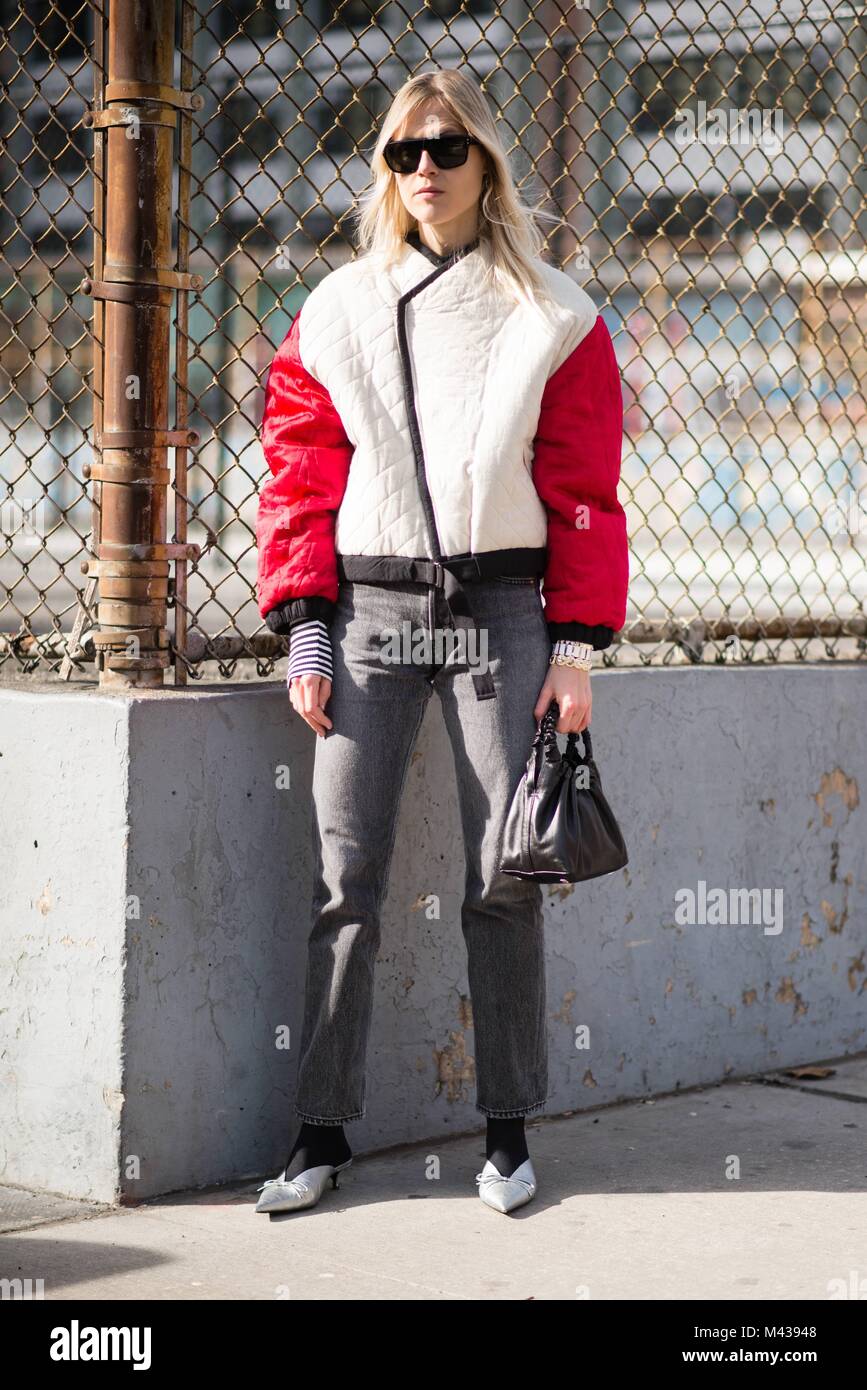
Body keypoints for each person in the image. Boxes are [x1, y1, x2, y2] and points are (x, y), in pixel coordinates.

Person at [254, 68, 628, 1216]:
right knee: (342, 878)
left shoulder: (555, 311)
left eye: (450, 148)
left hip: (502, 612)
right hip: (366, 616)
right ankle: (318, 1132)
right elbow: (299, 469)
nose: (427, 170)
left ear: (487, 164)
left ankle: (509, 1134)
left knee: (501, 878)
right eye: (407, 150)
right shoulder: (335, 307)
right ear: (385, 165)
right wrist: (305, 624)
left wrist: (577, 646)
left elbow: (583, 489)